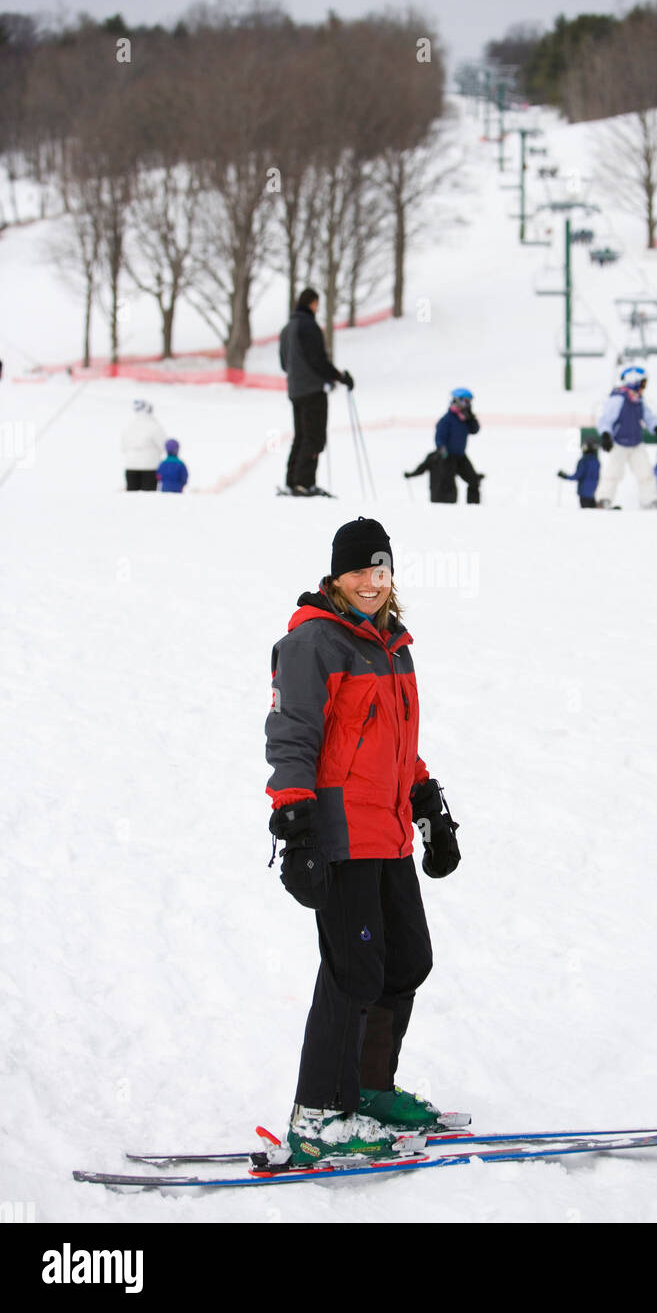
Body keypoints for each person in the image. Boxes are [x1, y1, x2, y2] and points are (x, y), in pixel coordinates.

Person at [264, 516, 461, 1168]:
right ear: (337, 577)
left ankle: (369, 1090)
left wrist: (426, 801)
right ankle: (319, 1115)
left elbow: (395, 744)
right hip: (341, 835)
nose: (372, 582)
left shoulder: (391, 645)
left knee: (404, 960)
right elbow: (293, 735)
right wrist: (294, 824)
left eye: (381, 570)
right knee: (353, 973)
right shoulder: (314, 643)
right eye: (359, 571)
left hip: (389, 832)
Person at [279, 288, 354, 497]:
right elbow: (318, 360)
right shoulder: (308, 326)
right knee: (314, 437)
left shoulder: (287, 329)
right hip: (312, 390)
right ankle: (305, 483)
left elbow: (284, 363)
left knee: (301, 436)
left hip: (295, 390)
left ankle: (292, 481)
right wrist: (338, 376)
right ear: (312, 303)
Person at [595, 366, 657, 509]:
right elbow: (605, 420)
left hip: (636, 443)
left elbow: (648, 416)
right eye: (643, 383)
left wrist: (656, 427)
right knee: (612, 473)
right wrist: (606, 434)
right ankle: (604, 498)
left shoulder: (638, 400)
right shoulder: (618, 399)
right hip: (619, 443)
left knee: (645, 472)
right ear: (634, 381)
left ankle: (650, 500)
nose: (644, 387)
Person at [434, 389, 483, 504]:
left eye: (469, 401)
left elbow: (474, 430)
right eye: (465, 401)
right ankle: (448, 509)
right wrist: (441, 448)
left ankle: (474, 508)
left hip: (461, 456)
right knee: (448, 484)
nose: (468, 404)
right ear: (456, 400)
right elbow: (439, 437)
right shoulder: (447, 419)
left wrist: (471, 418)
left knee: (474, 480)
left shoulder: (465, 418)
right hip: (448, 456)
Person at [121, 400, 167, 491]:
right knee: (148, 498)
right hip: (150, 467)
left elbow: (123, 447)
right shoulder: (155, 426)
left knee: (131, 498)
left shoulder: (128, 426)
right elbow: (163, 445)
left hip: (131, 465)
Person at [557, 440, 600, 508]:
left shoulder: (584, 461)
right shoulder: (596, 461)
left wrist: (565, 476)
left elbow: (577, 476)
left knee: (586, 514)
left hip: (584, 491)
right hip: (593, 491)